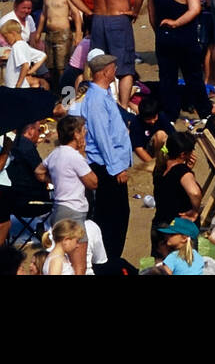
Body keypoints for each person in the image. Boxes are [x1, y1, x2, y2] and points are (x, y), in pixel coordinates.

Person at [76, 53, 133, 273]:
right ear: (105, 71)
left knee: (117, 213)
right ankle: (108, 261)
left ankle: (111, 259)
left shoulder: (104, 94)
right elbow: (101, 137)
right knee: (113, 215)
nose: (115, 70)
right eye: (113, 67)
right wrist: (116, 167)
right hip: (107, 167)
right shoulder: (97, 99)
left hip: (110, 164)